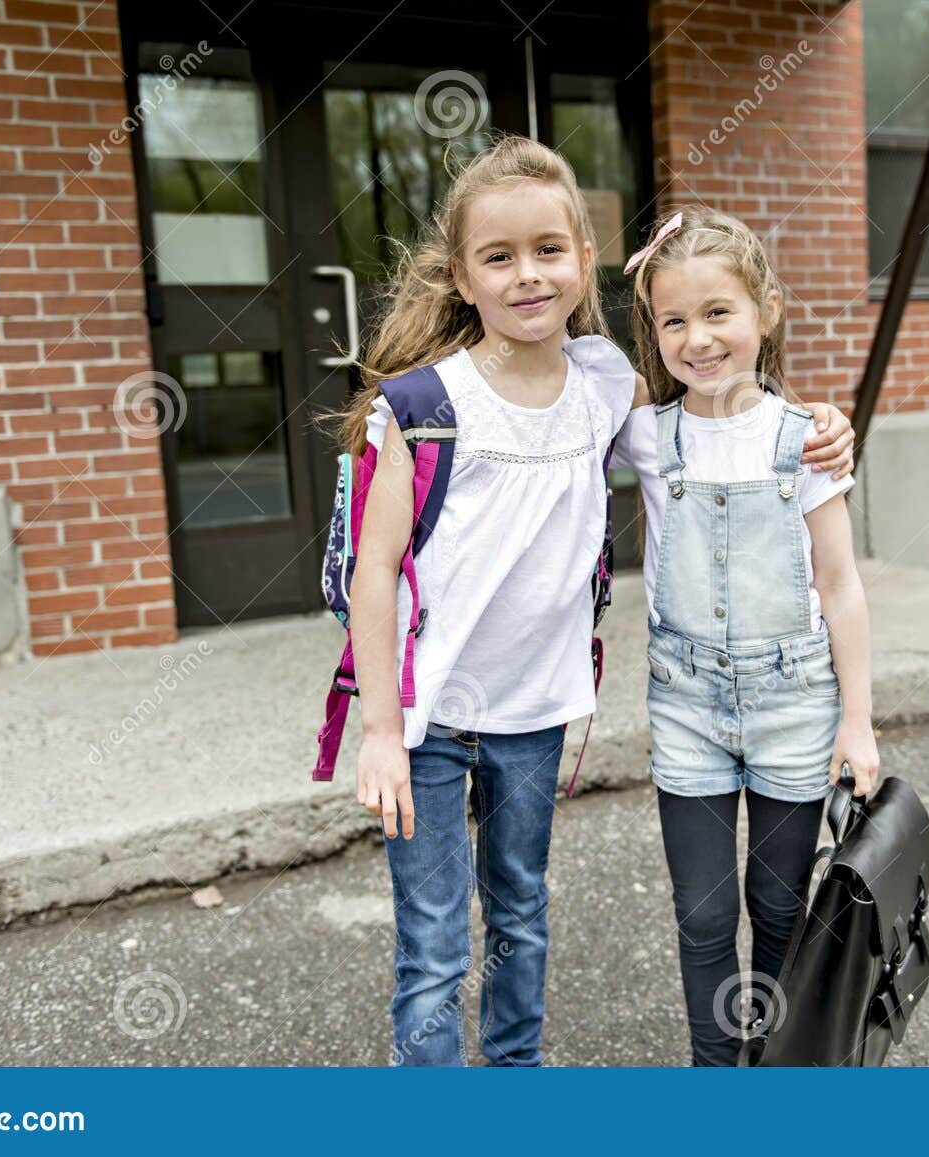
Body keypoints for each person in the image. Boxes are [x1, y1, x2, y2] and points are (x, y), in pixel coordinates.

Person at [335, 139, 856, 1066]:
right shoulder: (421, 406)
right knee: (431, 946)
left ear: (584, 257)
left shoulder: (608, 386)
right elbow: (373, 569)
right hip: (422, 718)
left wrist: (821, 425)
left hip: (536, 711)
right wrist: (379, 726)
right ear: (461, 275)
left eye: (549, 249)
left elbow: (718, 419)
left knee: (521, 915)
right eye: (498, 257)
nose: (527, 274)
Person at [612, 205, 882, 1066]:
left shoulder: (805, 441)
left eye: (718, 312)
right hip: (686, 702)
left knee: (776, 906)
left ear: (766, 309)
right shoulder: (645, 437)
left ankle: (772, 1069)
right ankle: (712, 1072)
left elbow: (840, 587)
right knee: (701, 914)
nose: (697, 338)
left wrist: (858, 721)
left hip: (794, 702)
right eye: (674, 319)